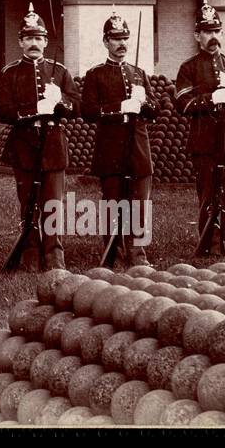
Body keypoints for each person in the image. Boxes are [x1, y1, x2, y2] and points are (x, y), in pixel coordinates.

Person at [0, 4, 78, 271]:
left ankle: (54, 256)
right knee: (28, 204)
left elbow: (77, 105)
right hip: (24, 145)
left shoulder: (60, 71)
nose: (34, 43)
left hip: (53, 144)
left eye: (38, 38)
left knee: (53, 203)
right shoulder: (10, 72)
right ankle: (30, 254)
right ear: (21, 42)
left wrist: (60, 100)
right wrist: (33, 110)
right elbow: (3, 111)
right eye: (28, 38)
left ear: (45, 42)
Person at [172, 0, 225, 259]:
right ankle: (210, 243)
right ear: (198, 36)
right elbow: (182, 103)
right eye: (207, 32)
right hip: (204, 140)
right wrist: (210, 98)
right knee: (208, 194)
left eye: (217, 31)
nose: (213, 37)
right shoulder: (189, 68)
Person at [80, 13, 158, 266]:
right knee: (113, 202)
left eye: (124, 38)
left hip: (138, 147)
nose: (122, 43)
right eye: (116, 39)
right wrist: (120, 107)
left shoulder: (139, 74)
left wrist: (143, 102)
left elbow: (155, 110)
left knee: (140, 204)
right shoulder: (96, 75)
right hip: (111, 148)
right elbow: (88, 111)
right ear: (106, 42)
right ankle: (113, 254)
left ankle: (138, 254)